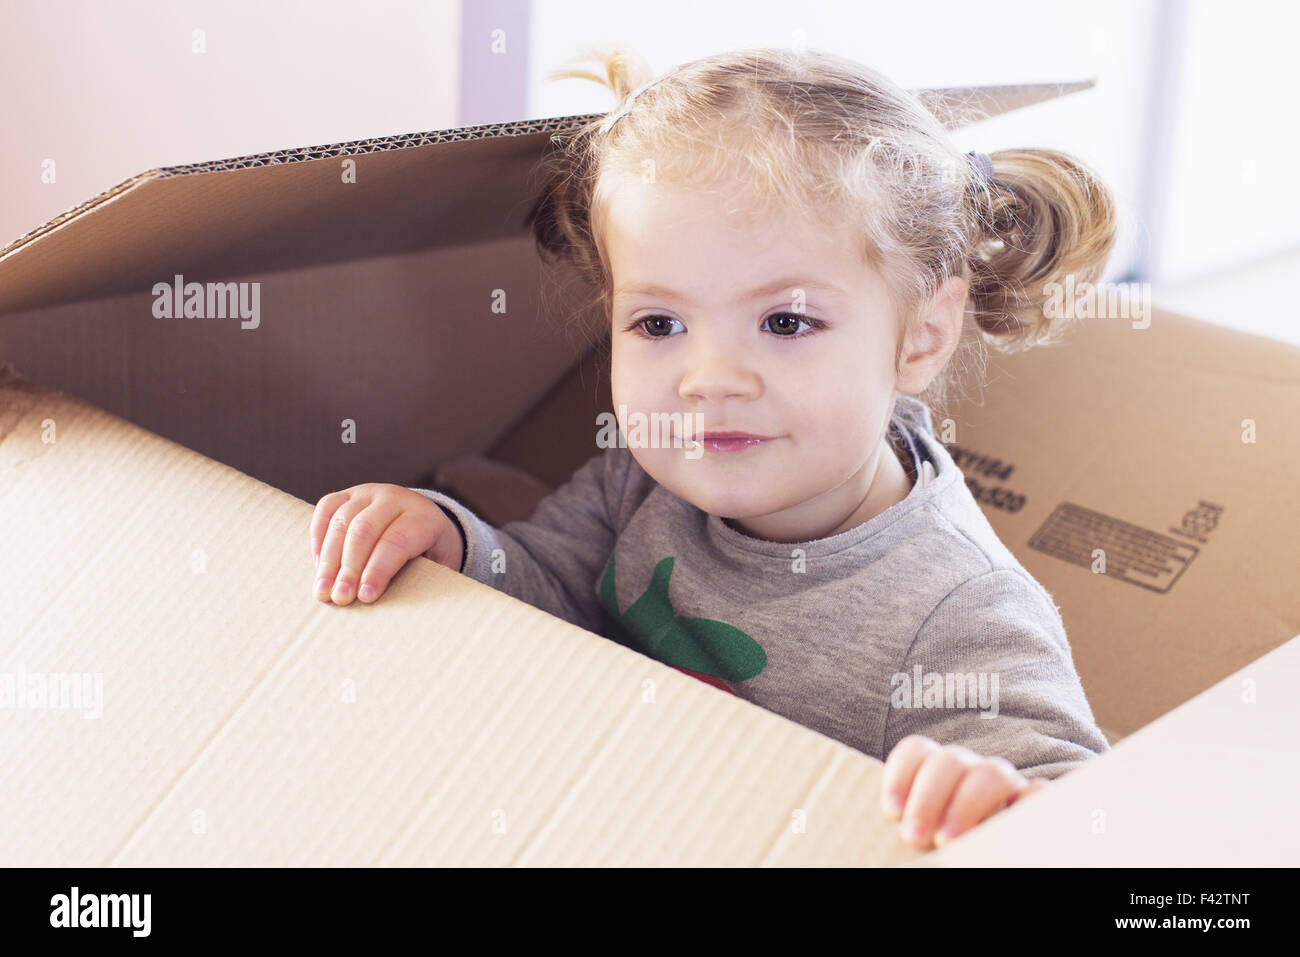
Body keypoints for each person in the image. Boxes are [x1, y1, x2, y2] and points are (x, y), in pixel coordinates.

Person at [308, 45, 1117, 852]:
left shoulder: (959, 611)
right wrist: (450, 538)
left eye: (785, 322)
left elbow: (1094, 812)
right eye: (659, 324)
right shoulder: (640, 478)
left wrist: (1002, 805)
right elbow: (538, 587)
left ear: (922, 333)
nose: (709, 379)